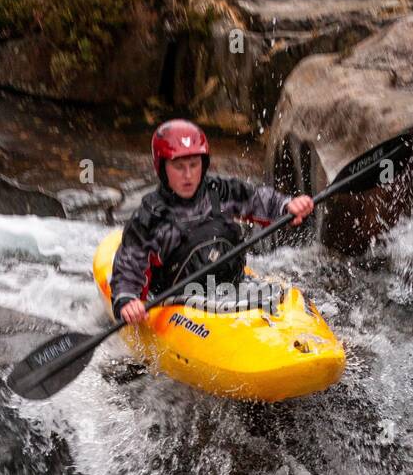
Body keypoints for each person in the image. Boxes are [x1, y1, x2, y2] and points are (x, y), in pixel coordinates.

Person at [110, 119, 314, 324]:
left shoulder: (220, 191)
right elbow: (129, 266)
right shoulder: (150, 218)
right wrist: (127, 300)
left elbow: (257, 199)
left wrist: (287, 206)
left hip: (233, 290)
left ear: (203, 164)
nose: (188, 175)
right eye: (179, 167)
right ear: (162, 168)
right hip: (180, 306)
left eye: (194, 165)